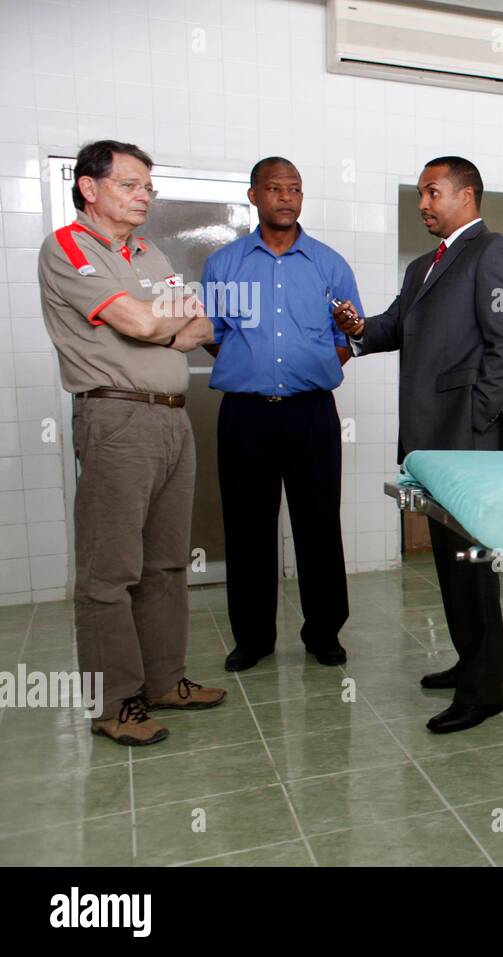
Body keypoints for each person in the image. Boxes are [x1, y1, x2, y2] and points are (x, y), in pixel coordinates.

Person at [37, 139, 225, 747]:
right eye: (130, 184)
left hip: (173, 418)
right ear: (90, 188)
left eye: (149, 186)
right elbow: (147, 322)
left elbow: (198, 324)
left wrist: (157, 323)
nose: (144, 195)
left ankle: (165, 681)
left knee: (167, 562)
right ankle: (115, 702)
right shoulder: (68, 247)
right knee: (108, 571)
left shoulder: (150, 250)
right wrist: (156, 323)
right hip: (116, 419)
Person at [332, 156, 503, 733]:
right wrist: (357, 328)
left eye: (432, 192)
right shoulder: (424, 266)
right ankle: (472, 661)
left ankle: (485, 689)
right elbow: (394, 326)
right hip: (428, 438)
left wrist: (477, 421)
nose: (423, 203)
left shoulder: (493, 253)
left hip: (465, 437)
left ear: (467, 196)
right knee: (448, 561)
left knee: (473, 562)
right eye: (421, 193)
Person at [200, 157, 358, 672]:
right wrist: (255, 368)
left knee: (318, 523)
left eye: (295, 189)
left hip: (312, 414)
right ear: (254, 197)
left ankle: (324, 633)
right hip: (245, 418)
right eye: (275, 188)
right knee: (247, 528)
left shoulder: (329, 265)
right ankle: (253, 638)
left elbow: (350, 337)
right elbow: (214, 338)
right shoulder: (224, 265)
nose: (286, 198)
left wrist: (310, 368)